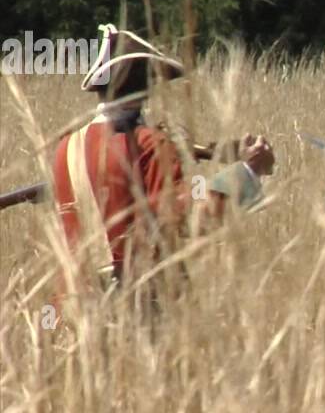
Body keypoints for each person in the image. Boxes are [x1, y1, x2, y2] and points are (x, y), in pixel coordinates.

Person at [52, 24, 275, 291]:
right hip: (140, 303)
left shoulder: (65, 149)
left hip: (79, 306)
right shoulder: (151, 144)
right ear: (145, 83)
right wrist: (247, 172)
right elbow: (193, 214)